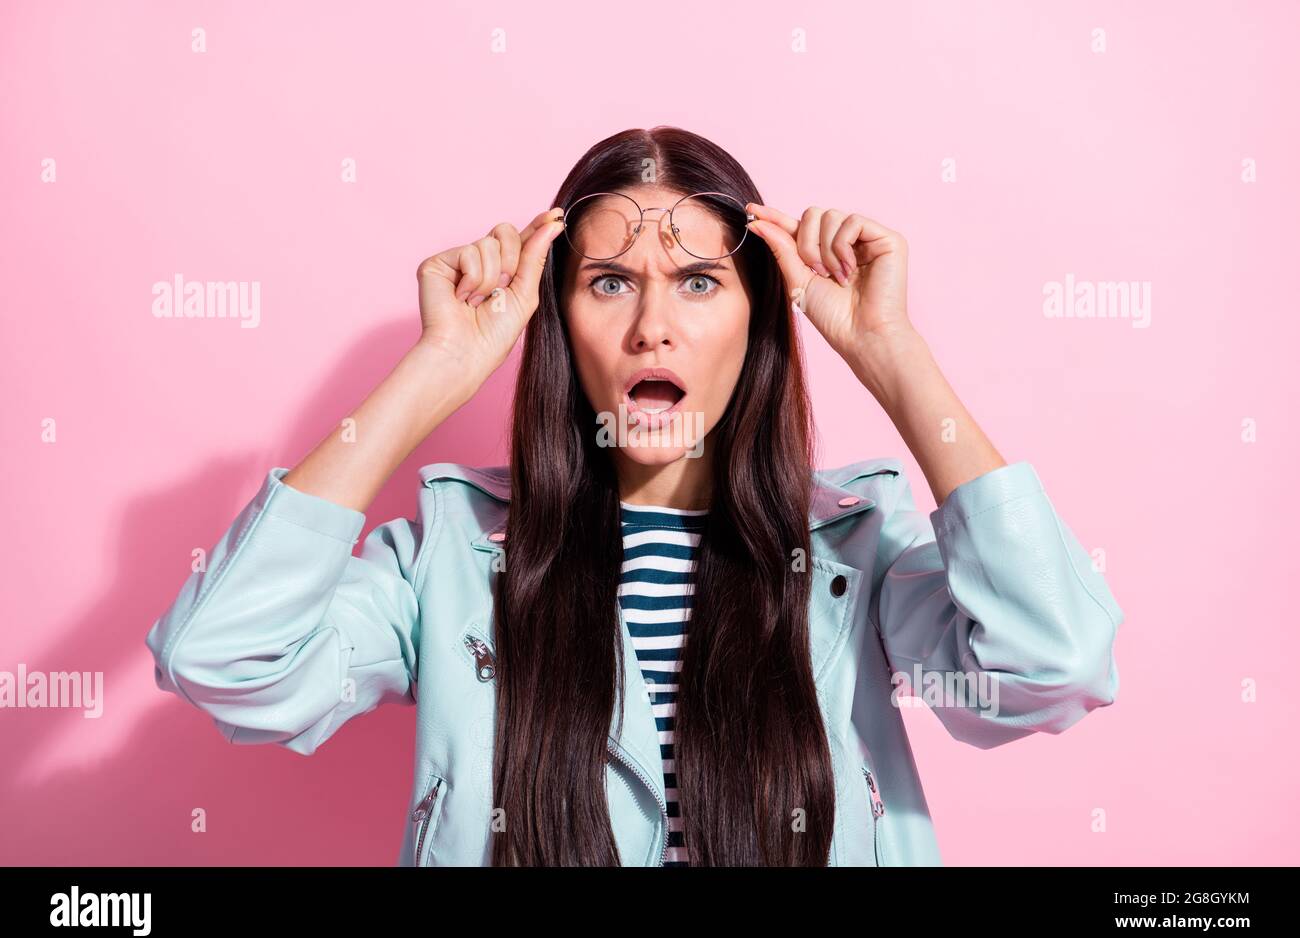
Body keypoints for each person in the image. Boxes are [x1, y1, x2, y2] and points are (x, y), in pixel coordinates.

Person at [145, 125, 1123, 867]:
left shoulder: (853, 553)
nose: (653, 325)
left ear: (758, 320)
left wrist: (893, 355)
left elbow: (1052, 662)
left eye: (699, 282)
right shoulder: (445, 560)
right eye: (609, 283)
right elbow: (224, 656)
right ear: (556, 317)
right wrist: (431, 371)